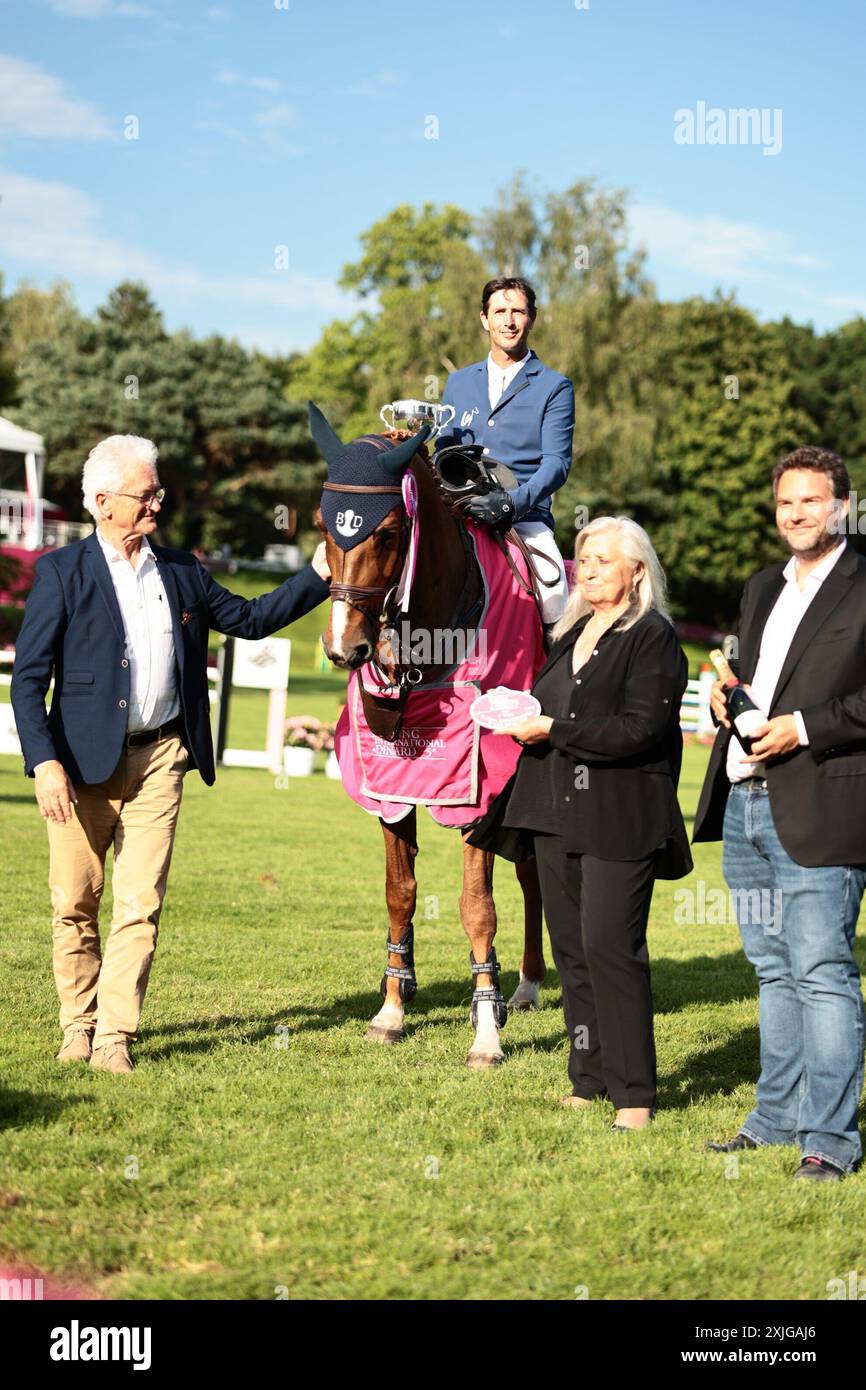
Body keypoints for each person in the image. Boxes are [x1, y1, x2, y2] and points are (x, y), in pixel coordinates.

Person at [11, 434, 331, 1075]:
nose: (157, 500)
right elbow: (28, 679)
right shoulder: (60, 573)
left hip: (163, 759)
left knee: (139, 905)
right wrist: (44, 764)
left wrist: (319, 573)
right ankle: (77, 1024)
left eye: (158, 489)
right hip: (78, 768)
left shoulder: (182, 570)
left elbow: (250, 617)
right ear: (103, 502)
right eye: (144, 492)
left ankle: (113, 1038)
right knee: (75, 902)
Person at [468, 516, 691, 1129]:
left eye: (603, 561)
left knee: (611, 949)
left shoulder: (652, 638)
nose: (587, 570)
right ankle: (586, 1078)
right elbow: (548, 709)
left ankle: (635, 1095)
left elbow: (639, 730)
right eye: (583, 559)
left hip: (619, 818)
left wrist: (553, 730)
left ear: (637, 572)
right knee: (571, 954)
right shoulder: (570, 634)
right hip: (551, 815)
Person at [694, 446, 866, 1180]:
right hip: (746, 799)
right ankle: (773, 1117)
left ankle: (828, 1141)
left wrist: (804, 727)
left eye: (811, 501)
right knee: (772, 969)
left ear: (843, 505)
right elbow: (757, 682)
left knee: (823, 969)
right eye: (785, 503)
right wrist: (721, 697)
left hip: (825, 800)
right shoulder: (764, 585)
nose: (796, 514)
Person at [439, 277, 574, 629]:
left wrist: (513, 502)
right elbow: (443, 450)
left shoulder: (554, 386)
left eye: (518, 311)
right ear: (485, 318)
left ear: (532, 318)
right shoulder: (458, 382)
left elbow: (557, 464)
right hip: (459, 512)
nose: (508, 321)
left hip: (523, 519)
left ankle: (557, 672)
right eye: (500, 311)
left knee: (555, 597)